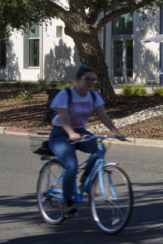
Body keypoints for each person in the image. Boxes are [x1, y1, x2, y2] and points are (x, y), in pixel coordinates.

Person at [48, 66, 124, 215]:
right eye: (87, 79)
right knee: (71, 166)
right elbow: (63, 117)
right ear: (78, 80)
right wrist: (71, 132)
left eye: (93, 80)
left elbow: (103, 116)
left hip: (80, 131)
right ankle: (67, 202)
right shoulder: (65, 95)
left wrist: (116, 132)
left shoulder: (94, 96)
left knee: (99, 148)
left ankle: (85, 178)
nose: (91, 82)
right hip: (61, 133)